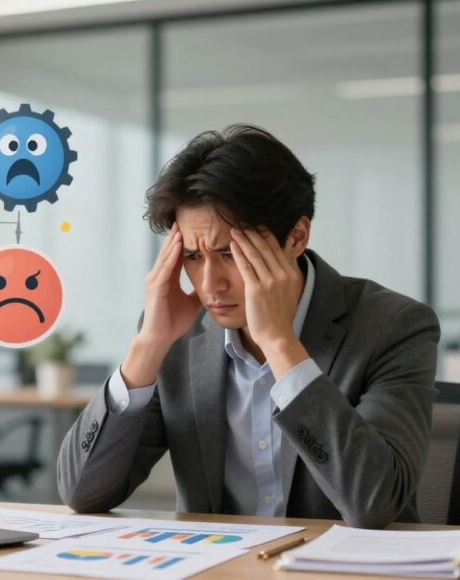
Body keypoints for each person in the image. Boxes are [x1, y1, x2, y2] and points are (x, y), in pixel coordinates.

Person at [57, 124, 439, 529]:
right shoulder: (175, 335)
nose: (208, 285)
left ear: (296, 236)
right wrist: (148, 345)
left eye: (228, 254)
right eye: (192, 256)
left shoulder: (394, 327)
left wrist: (281, 344)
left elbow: (375, 503)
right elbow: (83, 493)